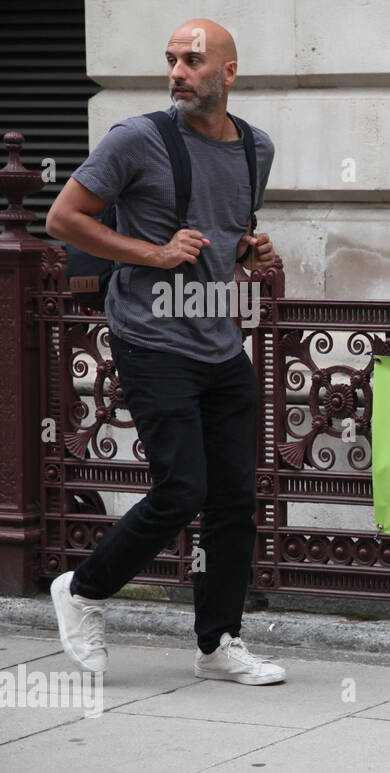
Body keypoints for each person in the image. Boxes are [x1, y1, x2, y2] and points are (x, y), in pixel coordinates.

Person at [44, 19, 284, 685]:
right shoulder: (135, 139)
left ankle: (219, 642)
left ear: (228, 72)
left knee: (236, 498)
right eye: (172, 60)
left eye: (193, 61)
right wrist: (152, 253)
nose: (177, 72)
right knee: (183, 488)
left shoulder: (255, 149)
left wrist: (248, 250)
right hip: (150, 337)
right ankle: (85, 589)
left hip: (216, 337)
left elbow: (224, 231)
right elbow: (64, 219)